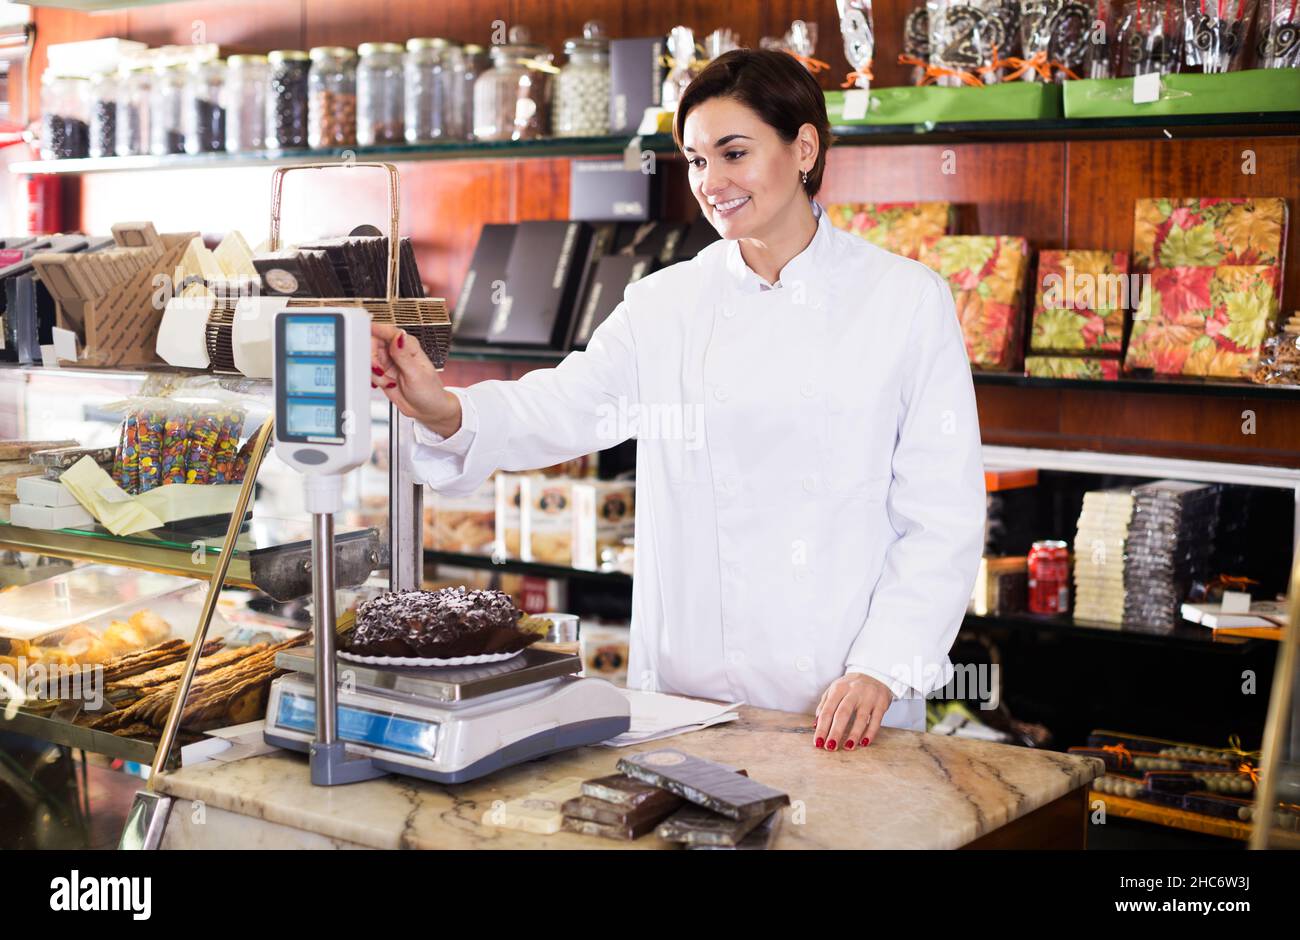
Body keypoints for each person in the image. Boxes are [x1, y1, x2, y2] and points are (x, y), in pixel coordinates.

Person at [370, 48, 986, 752]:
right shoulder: (668, 301)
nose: (711, 182)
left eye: (733, 153)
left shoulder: (904, 300)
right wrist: (444, 408)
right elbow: (568, 404)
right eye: (695, 160)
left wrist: (884, 666)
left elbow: (941, 516)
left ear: (805, 146)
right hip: (689, 701)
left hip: (844, 702)